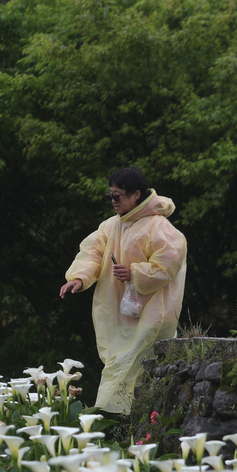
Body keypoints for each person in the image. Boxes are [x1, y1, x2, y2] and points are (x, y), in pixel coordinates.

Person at [60, 167, 187, 415]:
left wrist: (135, 273)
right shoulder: (111, 226)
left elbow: (169, 262)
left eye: (117, 196)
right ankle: (122, 421)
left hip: (153, 310)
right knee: (120, 361)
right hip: (121, 312)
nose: (113, 201)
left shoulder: (159, 226)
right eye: (110, 196)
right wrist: (79, 277)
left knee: (136, 362)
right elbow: (93, 251)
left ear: (136, 194)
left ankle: (115, 419)